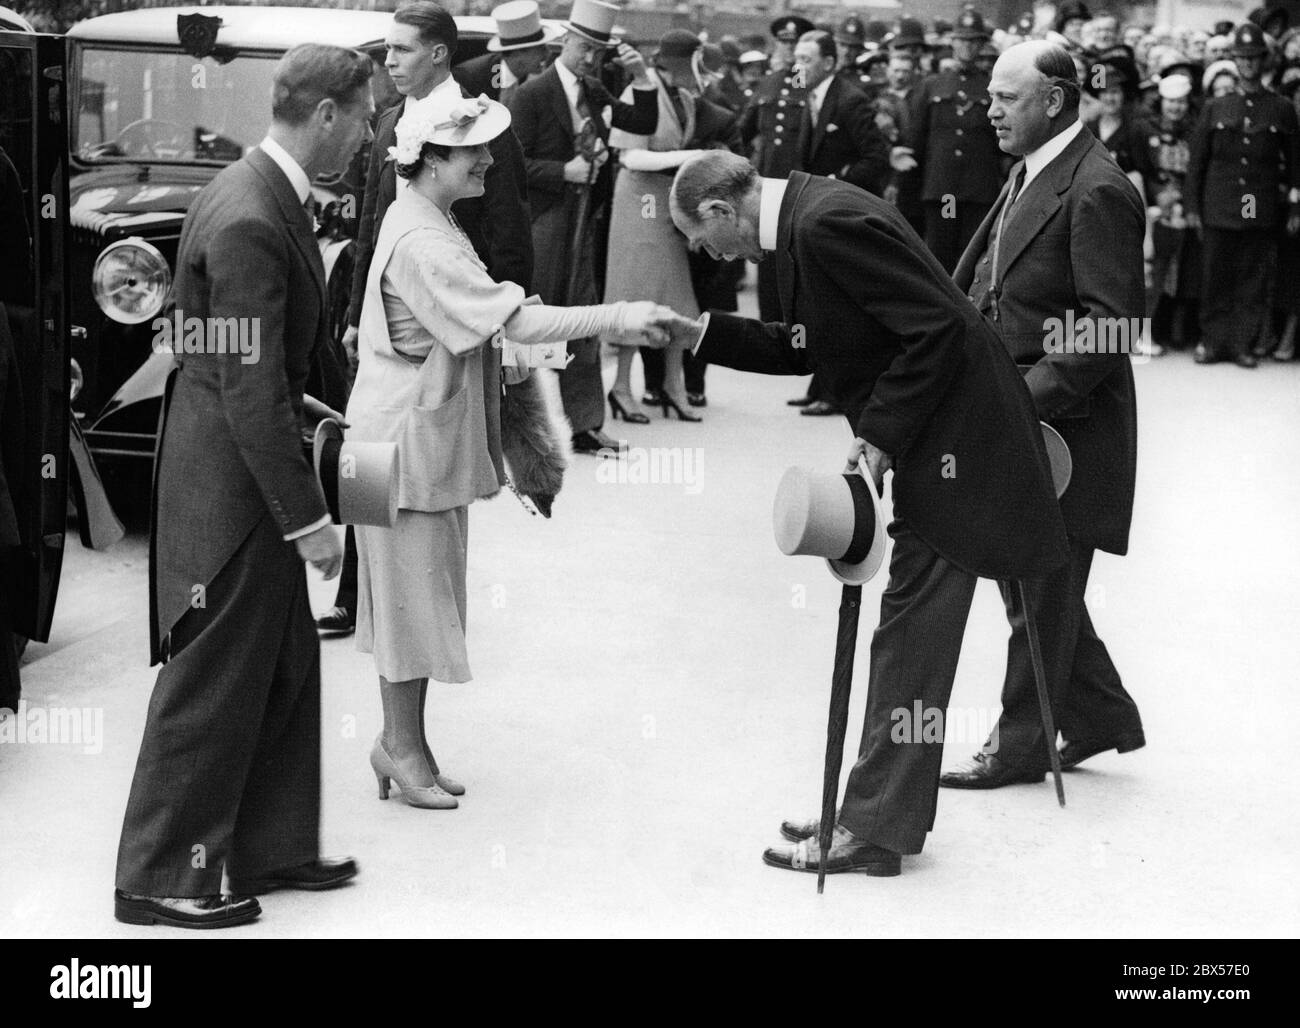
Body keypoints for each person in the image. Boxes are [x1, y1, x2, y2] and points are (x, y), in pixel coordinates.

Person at [659, 151, 1068, 874]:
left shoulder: (826, 224)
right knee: (906, 637)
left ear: (723, 211)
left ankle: (875, 830)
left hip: (961, 450)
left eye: (698, 236)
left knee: (910, 641)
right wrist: (695, 333)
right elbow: (811, 346)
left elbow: (939, 328)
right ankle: (868, 809)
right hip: (943, 440)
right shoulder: (803, 222)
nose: (703, 252)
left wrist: (880, 433)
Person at [346, 90, 670, 809]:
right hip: (402, 448)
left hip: (386, 438)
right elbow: (515, 317)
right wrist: (620, 313)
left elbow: (478, 324)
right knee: (408, 605)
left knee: (407, 603)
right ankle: (399, 747)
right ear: (430, 161)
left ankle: (405, 744)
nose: (490, 159)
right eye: (474, 150)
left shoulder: (420, 215)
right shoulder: (427, 240)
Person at [113, 44, 373, 929]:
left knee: (285, 665)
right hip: (234, 491)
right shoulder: (257, 217)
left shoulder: (245, 190)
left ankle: (269, 844)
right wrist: (309, 524)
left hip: (228, 465)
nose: (370, 133)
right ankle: (159, 877)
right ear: (328, 114)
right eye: (365, 115)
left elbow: (213, 348)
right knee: (214, 679)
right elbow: (251, 393)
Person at [945, 41, 1145, 789]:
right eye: (991, 96)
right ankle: (1098, 714)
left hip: (1065, 427)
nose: (989, 108)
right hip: (1019, 416)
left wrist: (1016, 404)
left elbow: (1106, 327)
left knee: (1037, 584)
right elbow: (984, 280)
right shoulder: (1033, 171)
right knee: (1031, 577)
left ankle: (1022, 745)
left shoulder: (1098, 189)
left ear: (1056, 101)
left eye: (1007, 97)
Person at [322, 1, 534, 636]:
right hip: (390, 326)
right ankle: (357, 596)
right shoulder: (389, 122)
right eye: (388, 50)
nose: (389, 61)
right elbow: (368, 225)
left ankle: (417, 608)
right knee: (370, 447)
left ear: (439, 53)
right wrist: (359, 312)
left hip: (453, 331)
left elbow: (511, 232)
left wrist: (518, 333)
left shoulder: (486, 124)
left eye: (403, 50)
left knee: (425, 468)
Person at [507, 0, 659, 453]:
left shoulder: (594, 90)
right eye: (584, 47)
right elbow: (510, 165)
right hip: (542, 227)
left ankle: (586, 425)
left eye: (598, 50)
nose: (590, 57)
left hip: (581, 227)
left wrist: (642, 78)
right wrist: (563, 172)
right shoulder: (532, 94)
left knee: (584, 321)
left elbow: (640, 122)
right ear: (564, 42)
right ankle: (517, 428)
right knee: (529, 324)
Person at [602, 29, 709, 425]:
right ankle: (622, 387)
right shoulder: (638, 92)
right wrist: (694, 155)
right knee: (637, 292)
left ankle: (672, 385)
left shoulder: (683, 99)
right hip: (639, 203)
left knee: (676, 294)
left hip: (667, 201)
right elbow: (631, 157)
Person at [1185, 23, 1300, 367]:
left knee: (1251, 277)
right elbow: (1197, 163)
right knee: (1215, 276)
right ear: (1234, 61)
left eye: (1253, 57)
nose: (1248, 63)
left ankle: (1242, 345)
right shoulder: (1216, 107)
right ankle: (1212, 342)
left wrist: (1295, 207)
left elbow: (1295, 166)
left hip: (1257, 205)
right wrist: (1192, 206)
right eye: (1242, 58)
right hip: (1219, 205)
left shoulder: (1280, 108)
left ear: (1263, 60)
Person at [893, 10, 1007, 273]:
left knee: (974, 259)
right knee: (940, 257)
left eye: (974, 41)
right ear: (952, 42)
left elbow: (1001, 140)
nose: (967, 46)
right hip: (944, 190)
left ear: (982, 44)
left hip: (979, 189)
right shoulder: (932, 85)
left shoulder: (993, 86)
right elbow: (916, 141)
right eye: (962, 40)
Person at [452, 0, 558, 104]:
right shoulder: (468, 78)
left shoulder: (539, 79)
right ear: (517, 53)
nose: (547, 53)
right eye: (541, 48)